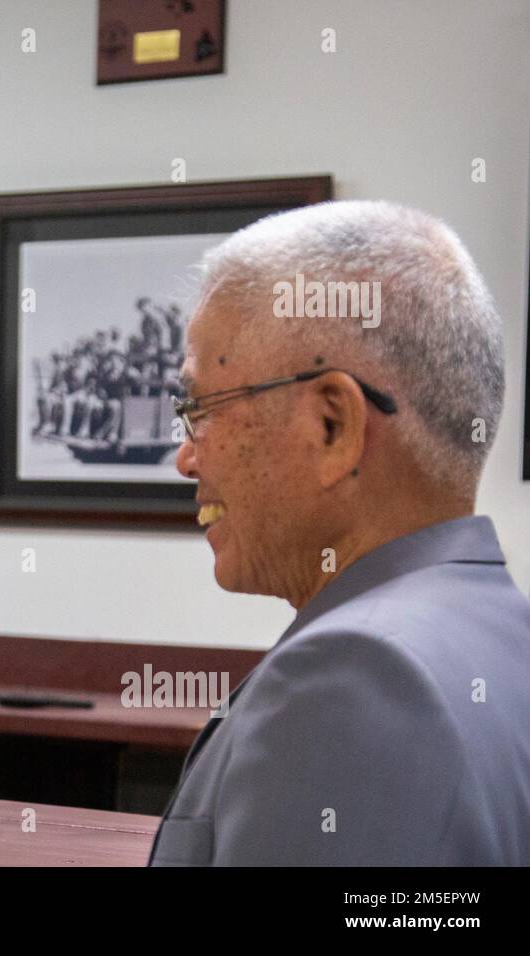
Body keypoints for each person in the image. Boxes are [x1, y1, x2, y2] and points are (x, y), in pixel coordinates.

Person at [149, 200, 530, 865]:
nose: (186, 456)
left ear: (332, 426)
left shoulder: (349, 683)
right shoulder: (502, 637)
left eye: (200, 408)